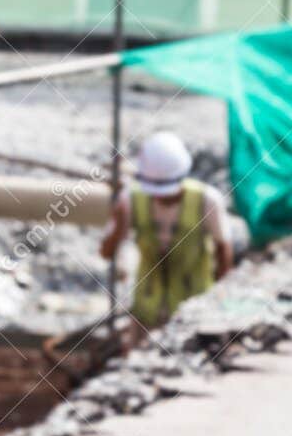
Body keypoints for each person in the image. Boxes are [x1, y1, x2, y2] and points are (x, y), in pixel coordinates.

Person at [99, 131, 234, 329]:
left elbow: (223, 249)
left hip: (193, 312)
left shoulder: (207, 201)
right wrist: (119, 227)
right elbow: (106, 253)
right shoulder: (131, 199)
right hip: (146, 309)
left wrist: (217, 298)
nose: (159, 197)